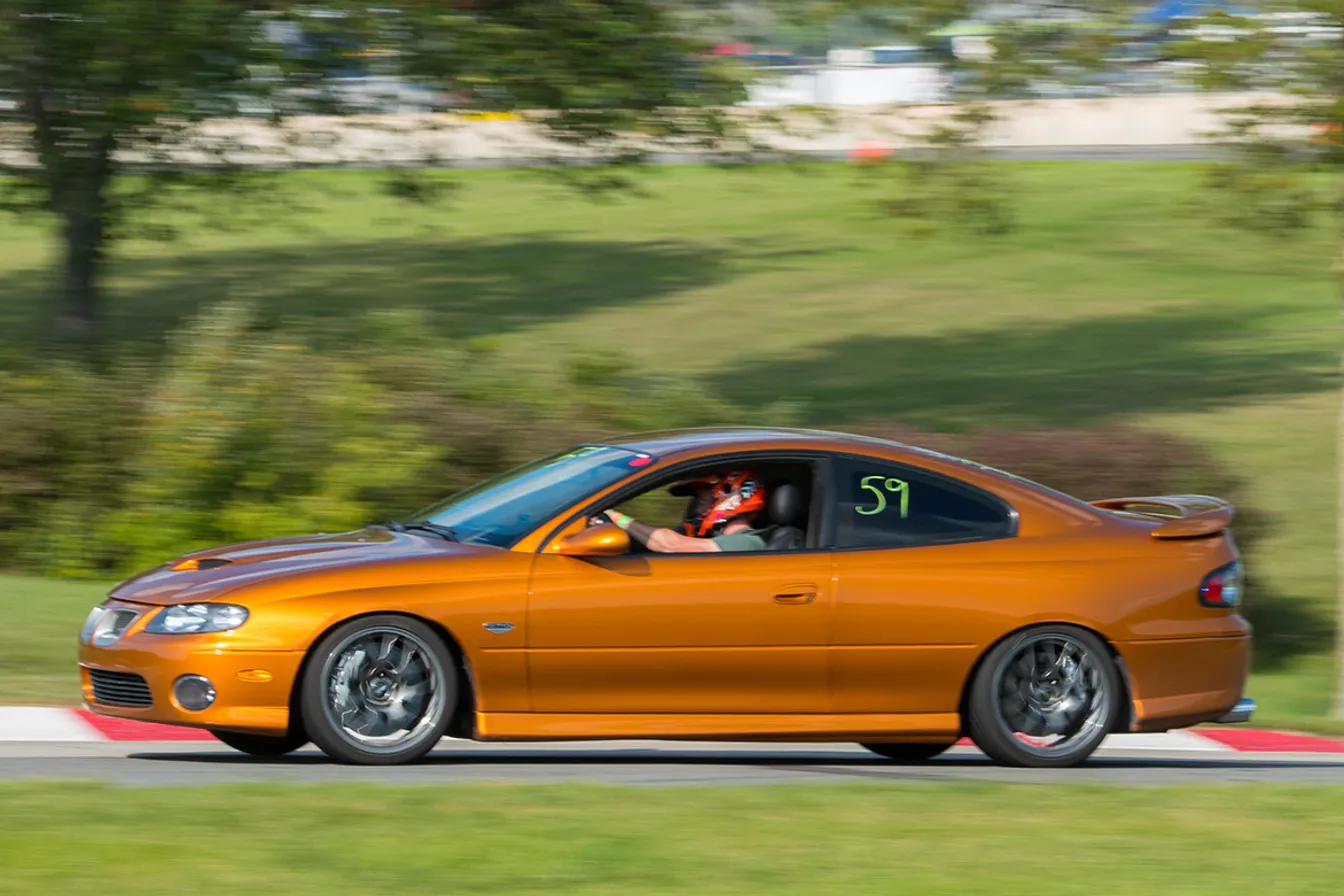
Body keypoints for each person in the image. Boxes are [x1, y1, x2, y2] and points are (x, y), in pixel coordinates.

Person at [602, 471, 769, 553]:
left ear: (730, 499)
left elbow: (670, 544)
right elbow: (651, 540)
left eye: (701, 501)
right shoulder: (701, 534)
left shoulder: (747, 542)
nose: (696, 508)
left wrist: (615, 517)